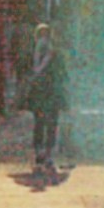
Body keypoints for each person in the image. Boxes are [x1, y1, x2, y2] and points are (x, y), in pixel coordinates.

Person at [26, 21, 71, 178]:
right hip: (52, 93)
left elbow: (25, 71)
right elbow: (63, 75)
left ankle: (40, 152)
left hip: (39, 93)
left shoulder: (32, 52)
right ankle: (48, 154)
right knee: (51, 123)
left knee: (39, 122)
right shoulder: (56, 53)